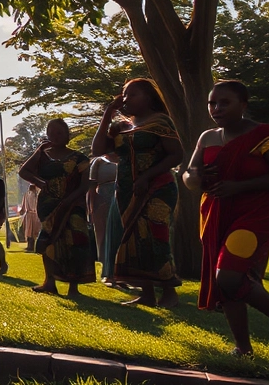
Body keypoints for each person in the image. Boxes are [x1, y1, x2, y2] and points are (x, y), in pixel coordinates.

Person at [184, 80, 269, 356]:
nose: (217, 108)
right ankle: (243, 347)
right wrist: (195, 178)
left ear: (244, 104)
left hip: (256, 214)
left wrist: (239, 187)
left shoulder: (263, 135)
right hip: (216, 214)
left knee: (228, 276)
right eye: (212, 103)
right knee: (229, 280)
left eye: (224, 102)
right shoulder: (207, 137)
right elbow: (190, 171)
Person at [94, 77, 184, 306]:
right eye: (124, 94)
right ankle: (147, 294)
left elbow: (176, 155)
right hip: (126, 190)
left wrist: (146, 176)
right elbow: (98, 150)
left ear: (149, 97)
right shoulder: (121, 127)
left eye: (132, 94)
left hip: (158, 187)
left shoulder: (161, 122)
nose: (126, 99)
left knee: (156, 235)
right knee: (135, 239)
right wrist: (108, 114)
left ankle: (169, 292)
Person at [20, 118, 94, 296]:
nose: (55, 136)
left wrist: (70, 200)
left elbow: (85, 185)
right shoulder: (42, 156)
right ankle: (49, 282)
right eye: (51, 133)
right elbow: (24, 171)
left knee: (74, 241)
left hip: (73, 205)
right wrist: (40, 182)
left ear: (68, 136)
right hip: (48, 205)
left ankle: (73, 286)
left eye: (59, 133)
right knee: (49, 241)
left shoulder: (79, 158)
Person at [86, 154, 119, 283]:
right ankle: (107, 271)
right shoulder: (99, 162)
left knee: (120, 234)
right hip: (103, 199)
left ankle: (121, 271)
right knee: (103, 235)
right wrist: (91, 208)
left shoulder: (126, 156)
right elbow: (92, 187)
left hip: (121, 196)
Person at [20, 184, 41, 251]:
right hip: (34, 215)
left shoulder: (28, 195)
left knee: (30, 231)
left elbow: (23, 207)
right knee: (32, 231)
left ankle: (31, 246)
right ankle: (31, 247)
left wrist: (22, 211)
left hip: (32, 215)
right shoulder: (36, 195)